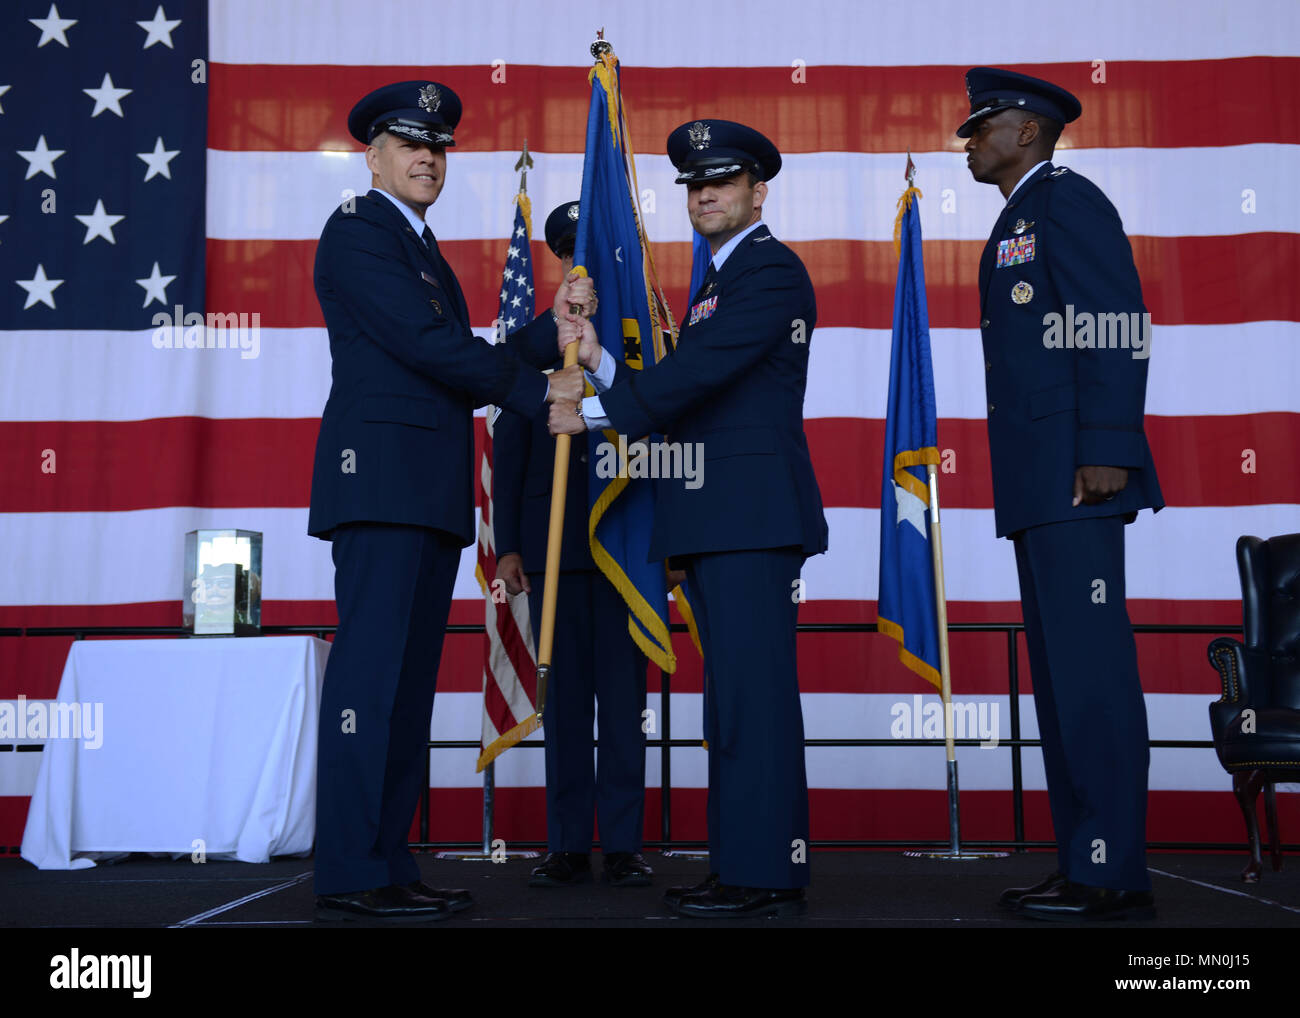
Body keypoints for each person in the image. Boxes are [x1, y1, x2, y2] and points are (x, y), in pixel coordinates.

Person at [307, 80, 590, 922]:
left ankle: (389, 863)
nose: (427, 156)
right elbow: (430, 348)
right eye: (409, 144)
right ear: (374, 154)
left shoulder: (418, 246)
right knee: (370, 683)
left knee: (404, 692)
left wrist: (554, 321)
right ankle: (354, 871)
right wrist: (541, 382)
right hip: (382, 485)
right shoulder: (359, 232)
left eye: (438, 147)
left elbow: (457, 354)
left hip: (424, 492)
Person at [548, 120, 828, 918]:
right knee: (732, 704)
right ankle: (742, 859)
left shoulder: (770, 272)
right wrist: (600, 361)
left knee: (756, 701)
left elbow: (698, 377)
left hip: (751, 518)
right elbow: (685, 382)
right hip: (717, 519)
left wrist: (595, 412)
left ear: (757, 191)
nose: (705, 193)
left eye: (723, 181)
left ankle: (768, 872)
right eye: (694, 184)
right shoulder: (717, 282)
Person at [958, 67, 1163, 921]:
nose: (967, 140)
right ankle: (1086, 860)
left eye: (982, 125)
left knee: (1092, 680)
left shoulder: (1067, 202)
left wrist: (1109, 448)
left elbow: (1115, 322)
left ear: (1029, 130)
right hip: (1041, 480)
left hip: (1080, 476)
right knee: (1059, 683)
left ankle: (1112, 873)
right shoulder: (1020, 213)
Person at [494, 200, 653, 889]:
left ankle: (620, 843)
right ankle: (565, 843)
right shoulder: (538, 339)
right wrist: (507, 545)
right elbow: (509, 442)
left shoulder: (637, 339)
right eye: (569, 259)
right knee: (561, 704)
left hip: (622, 545)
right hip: (551, 544)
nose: (580, 273)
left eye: (591, 261)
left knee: (622, 703)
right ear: (560, 264)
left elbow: (661, 429)